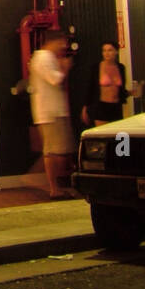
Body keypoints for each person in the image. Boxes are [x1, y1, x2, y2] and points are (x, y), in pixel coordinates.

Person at [29, 31, 76, 199]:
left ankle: (53, 186)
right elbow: (55, 79)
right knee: (55, 151)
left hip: (53, 111)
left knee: (59, 150)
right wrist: (65, 67)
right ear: (53, 41)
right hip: (50, 113)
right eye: (61, 43)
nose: (63, 47)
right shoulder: (43, 58)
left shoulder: (44, 57)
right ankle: (53, 187)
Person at [81, 40, 129, 128]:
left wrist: (130, 93)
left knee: (117, 136)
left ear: (116, 52)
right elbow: (90, 88)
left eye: (110, 50)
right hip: (101, 107)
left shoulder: (120, 67)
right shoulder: (96, 67)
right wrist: (85, 108)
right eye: (104, 50)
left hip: (116, 107)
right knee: (103, 135)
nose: (106, 53)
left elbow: (121, 90)